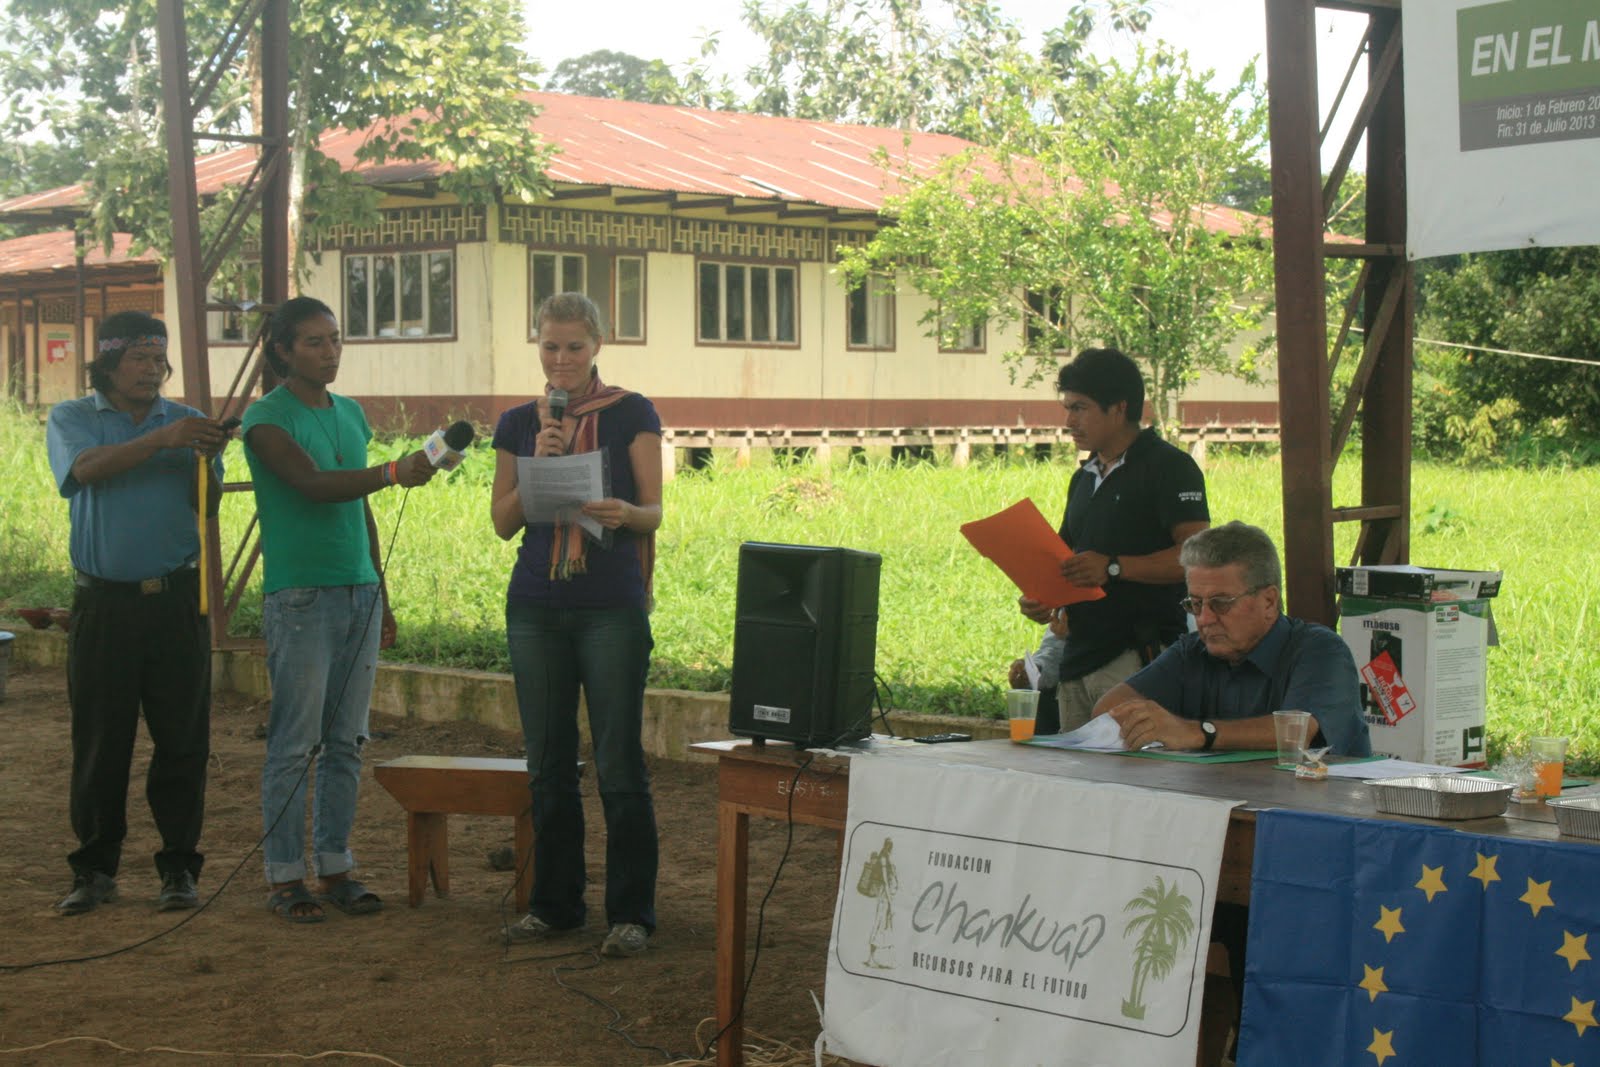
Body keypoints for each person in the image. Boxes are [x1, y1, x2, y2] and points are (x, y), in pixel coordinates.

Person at [242, 296, 436, 923]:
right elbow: (315, 486)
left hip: (355, 590)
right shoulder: (266, 419)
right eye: (314, 342)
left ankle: (335, 866)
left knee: (346, 741)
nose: (330, 352)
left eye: (335, 339)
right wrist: (391, 471)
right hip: (300, 596)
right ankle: (283, 877)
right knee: (295, 743)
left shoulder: (350, 413)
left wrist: (379, 589)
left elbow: (359, 507)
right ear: (282, 351)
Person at [491, 292, 663, 958]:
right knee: (548, 762)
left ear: (598, 344)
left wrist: (620, 509)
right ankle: (555, 904)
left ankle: (631, 912)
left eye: (574, 346)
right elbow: (504, 521)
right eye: (549, 346)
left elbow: (654, 512)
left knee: (618, 761)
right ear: (536, 344)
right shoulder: (516, 423)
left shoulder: (631, 412)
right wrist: (541, 456)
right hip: (536, 602)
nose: (561, 360)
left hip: (610, 604)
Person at [45, 311, 231, 915]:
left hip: (175, 600)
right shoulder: (74, 418)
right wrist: (161, 441)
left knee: (183, 739)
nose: (153, 371)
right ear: (108, 363)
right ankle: (95, 869)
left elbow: (207, 505)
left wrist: (211, 455)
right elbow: (87, 471)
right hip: (104, 603)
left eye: (160, 360)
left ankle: (179, 867)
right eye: (140, 360)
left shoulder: (184, 422)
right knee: (102, 740)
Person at [1018, 348, 1210, 734]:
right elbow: (1066, 557)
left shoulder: (1169, 468)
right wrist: (1042, 595)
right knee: (1078, 781)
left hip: (1137, 658)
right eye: (1067, 408)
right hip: (1077, 655)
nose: (1069, 421)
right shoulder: (1084, 477)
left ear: (1118, 408)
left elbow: (1199, 558)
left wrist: (1113, 567)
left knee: (1131, 776)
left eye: (1080, 408)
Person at [1094, 520, 1371, 757]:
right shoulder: (1192, 651)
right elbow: (1106, 711)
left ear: (1269, 601)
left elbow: (1297, 732)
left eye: (1221, 603)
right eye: (1195, 604)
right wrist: (1148, 724)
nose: (1204, 619)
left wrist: (1197, 733)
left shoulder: (1320, 650)